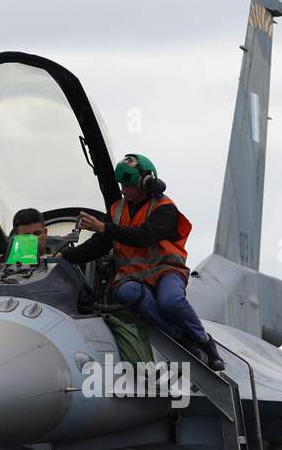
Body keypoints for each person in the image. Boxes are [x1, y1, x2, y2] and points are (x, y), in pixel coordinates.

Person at [60, 154, 224, 371]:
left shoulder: (165, 208)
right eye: (121, 184)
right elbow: (98, 246)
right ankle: (179, 337)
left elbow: (144, 235)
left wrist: (104, 227)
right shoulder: (117, 210)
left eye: (127, 185)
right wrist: (64, 257)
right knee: (127, 294)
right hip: (132, 275)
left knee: (171, 301)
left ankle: (204, 341)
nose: (122, 190)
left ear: (144, 183)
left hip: (166, 270)